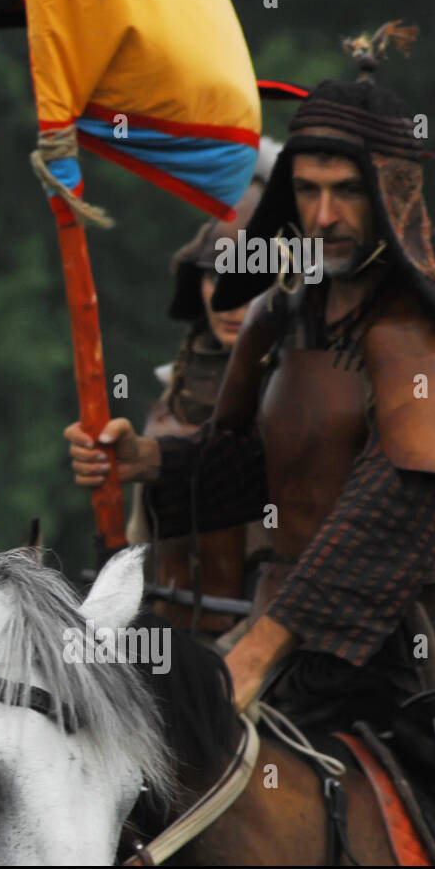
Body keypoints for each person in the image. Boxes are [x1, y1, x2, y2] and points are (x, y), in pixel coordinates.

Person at [65, 31, 435, 851]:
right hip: (293, 644)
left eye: (347, 192)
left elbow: (398, 500)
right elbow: (251, 473)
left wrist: (261, 645)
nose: (323, 216)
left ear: (391, 195)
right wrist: (147, 462)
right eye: (310, 189)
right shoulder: (283, 318)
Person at [126, 141, 280, 637]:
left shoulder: (303, 395)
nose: (231, 295)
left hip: (282, 646)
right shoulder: (170, 397)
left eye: (250, 274)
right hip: (174, 643)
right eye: (218, 274)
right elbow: (137, 542)